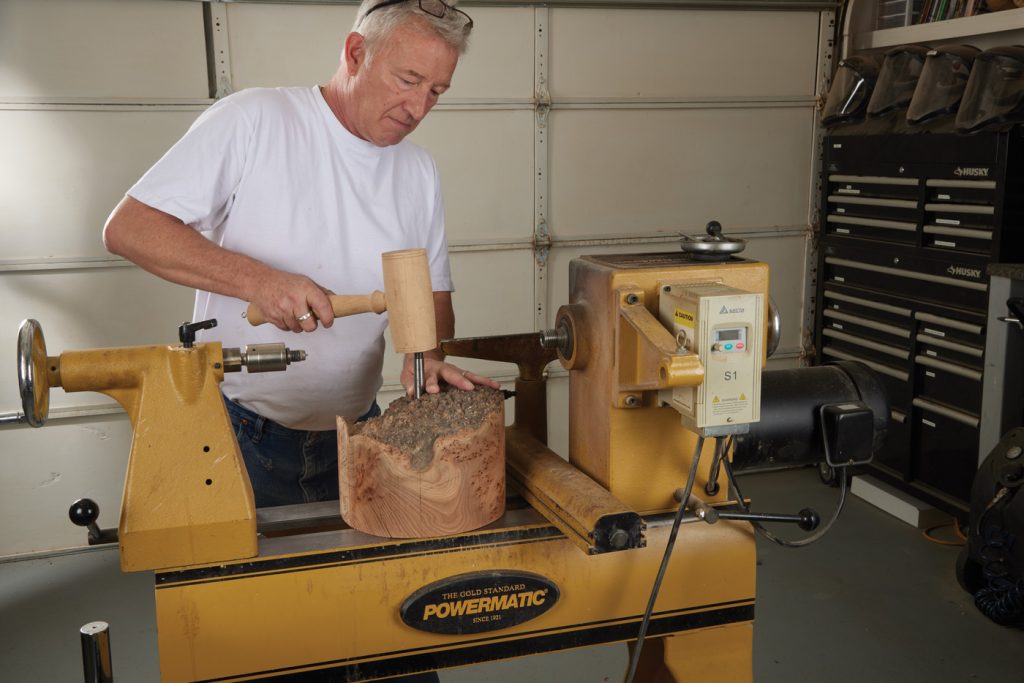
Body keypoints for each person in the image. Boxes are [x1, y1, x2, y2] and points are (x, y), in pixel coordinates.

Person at [103, 0, 498, 514]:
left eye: (436, 92)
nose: (418, 107)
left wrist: (426, 358)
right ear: (356, 53)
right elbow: (129, 228)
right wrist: (261, 282)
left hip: (358, 434)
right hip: (238, 434)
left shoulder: (418, 170)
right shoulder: (255, 120)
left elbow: (432, 296)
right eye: (408, 80)